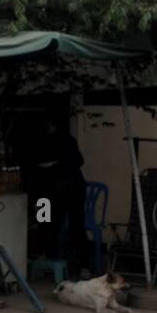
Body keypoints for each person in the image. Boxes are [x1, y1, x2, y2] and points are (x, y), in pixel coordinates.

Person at [34, 117, 89, 274]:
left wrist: (59, 179)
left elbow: (76, 162)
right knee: (47, 223)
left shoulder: (65, 142)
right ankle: (49, 257)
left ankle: (82, 262)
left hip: (70, 190)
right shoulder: (43, 142)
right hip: (48, 191)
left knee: (74, 225)